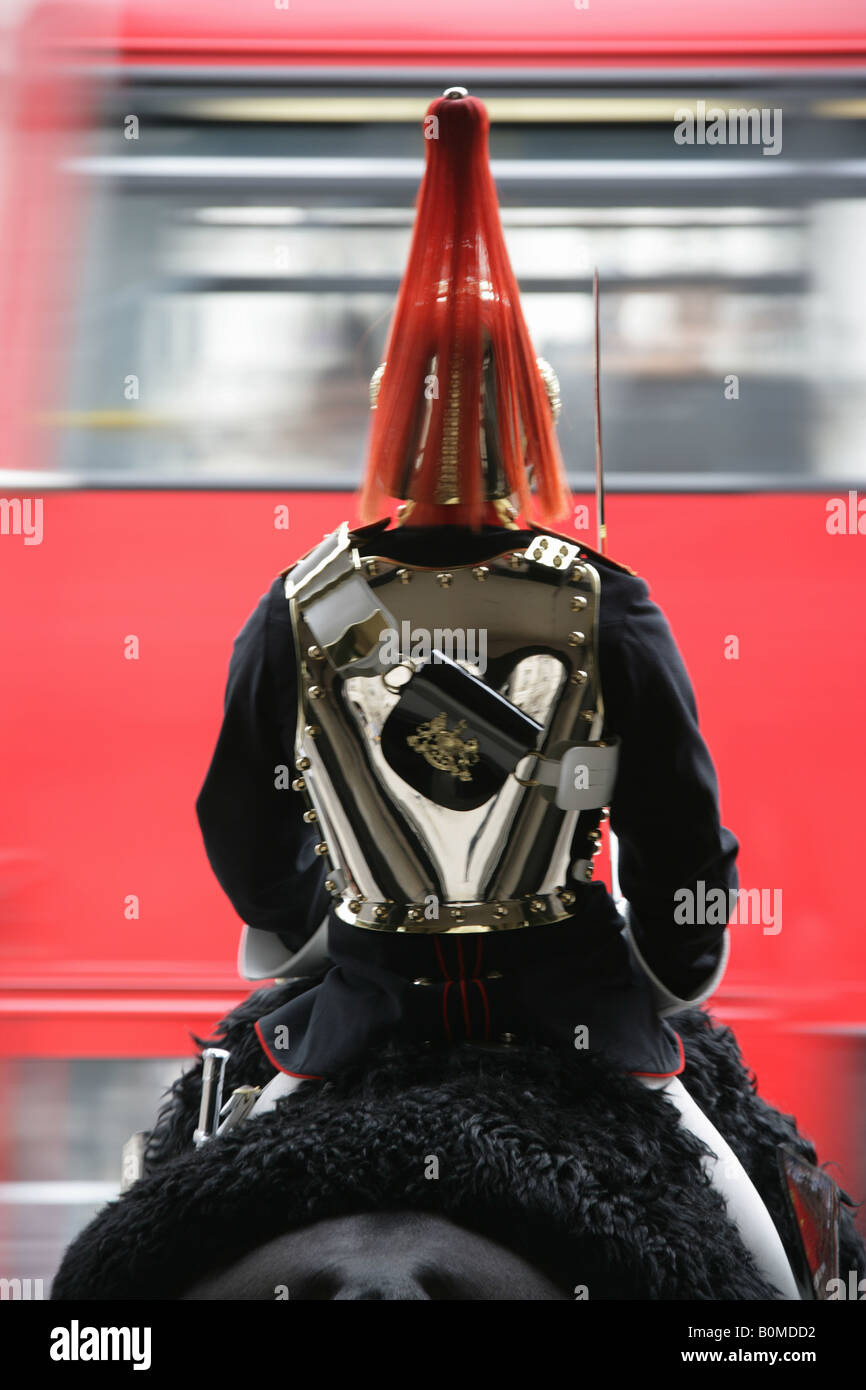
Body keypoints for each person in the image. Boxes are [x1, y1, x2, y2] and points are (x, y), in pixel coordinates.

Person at [195, 89, 799, 1298]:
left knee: (135, 1240)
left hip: (353, 1017)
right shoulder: (598, 598)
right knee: (767, 1278)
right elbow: (681, 836)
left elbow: (241, 827)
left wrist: (316, 920)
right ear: (533, 415)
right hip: (575, 1010)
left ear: (383, 410)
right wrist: (677, 960)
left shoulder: (306, 600)